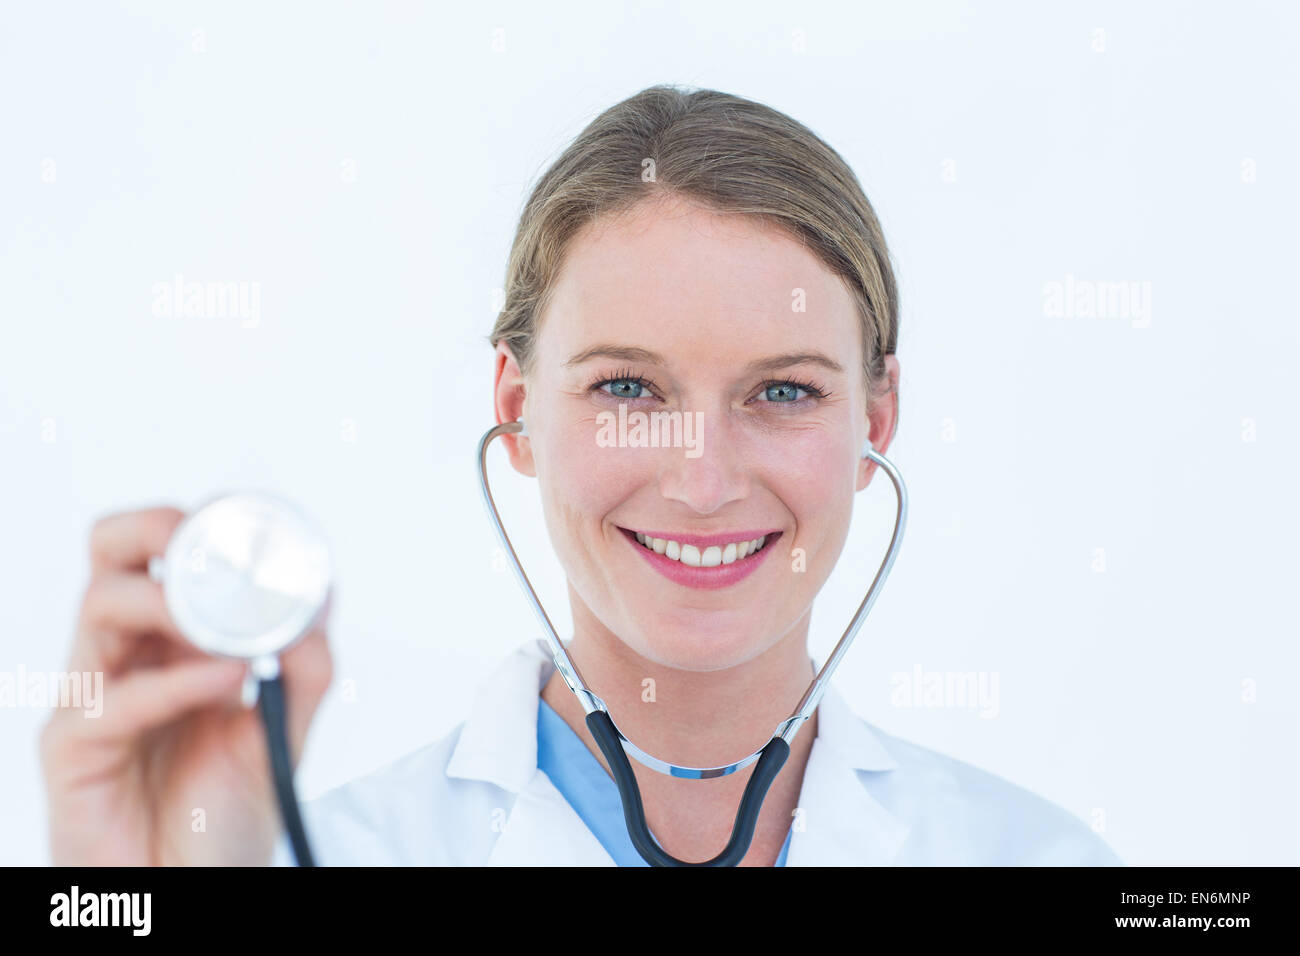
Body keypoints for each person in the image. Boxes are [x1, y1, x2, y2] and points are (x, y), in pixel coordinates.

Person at [40, 84, 1122, 867]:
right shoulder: (327, 851)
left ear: (876, 415)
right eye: (628, 389)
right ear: (514, 407)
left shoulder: (1037, 856)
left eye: (782, 391)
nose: (701, 479)